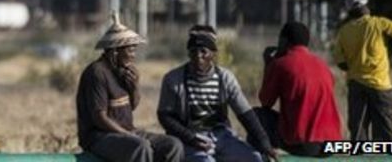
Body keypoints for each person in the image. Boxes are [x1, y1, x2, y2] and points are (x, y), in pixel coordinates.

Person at [157, 25, 277, 162]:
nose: (198, 56)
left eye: (203, 52)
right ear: (189, 54)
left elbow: (245, 114)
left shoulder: (225, 78)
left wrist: (265, 143)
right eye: (193, 51)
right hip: (190, 136)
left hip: (222, 135)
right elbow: (165, 116)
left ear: (213, 54)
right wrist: (190, 138)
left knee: (254, 158)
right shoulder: (173, 79)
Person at [76, 13, 183, 162]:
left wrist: (135, 86)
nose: (133, 55)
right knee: (141, 147)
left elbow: (131, 106)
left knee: (173, 145)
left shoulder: (122, 70)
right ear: (115, 51)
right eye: (130, 50)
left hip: (126, 132)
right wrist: (127, 134)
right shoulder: (97, 72)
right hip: (98, 136)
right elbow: (99, 118)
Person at [332, 0, 392, 141]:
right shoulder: (379, 23)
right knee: (386, 131)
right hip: (379, 85)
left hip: (356, 86)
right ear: (364, 7)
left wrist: (357, 67)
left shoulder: (344, 32)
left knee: (358, 132)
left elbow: (341, 63)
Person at [254, 22, 341, 157]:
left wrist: (268, 65)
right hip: (332, 144)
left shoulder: (281, 64)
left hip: (305, 145)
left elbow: (265, 101)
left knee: (256, 116)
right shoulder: (323, 65)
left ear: (284, 41)